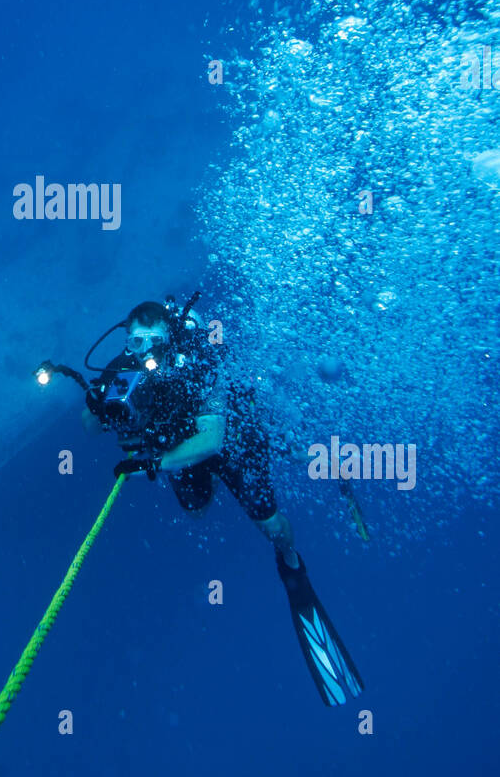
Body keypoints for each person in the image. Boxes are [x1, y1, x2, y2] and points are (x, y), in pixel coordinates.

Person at [82, 298, 364, 706]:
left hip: (231, 441)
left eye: (153, 340)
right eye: (136, 340)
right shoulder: (120, 368)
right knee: (196, 511)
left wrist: (155, 461)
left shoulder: (197, 361)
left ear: (170, 337)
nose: (144, 349)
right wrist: (94, 408)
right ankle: (273, 454)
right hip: (180, 449)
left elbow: (213, 439)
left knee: (270, 525)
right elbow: (91, 428)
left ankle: (292, 561)